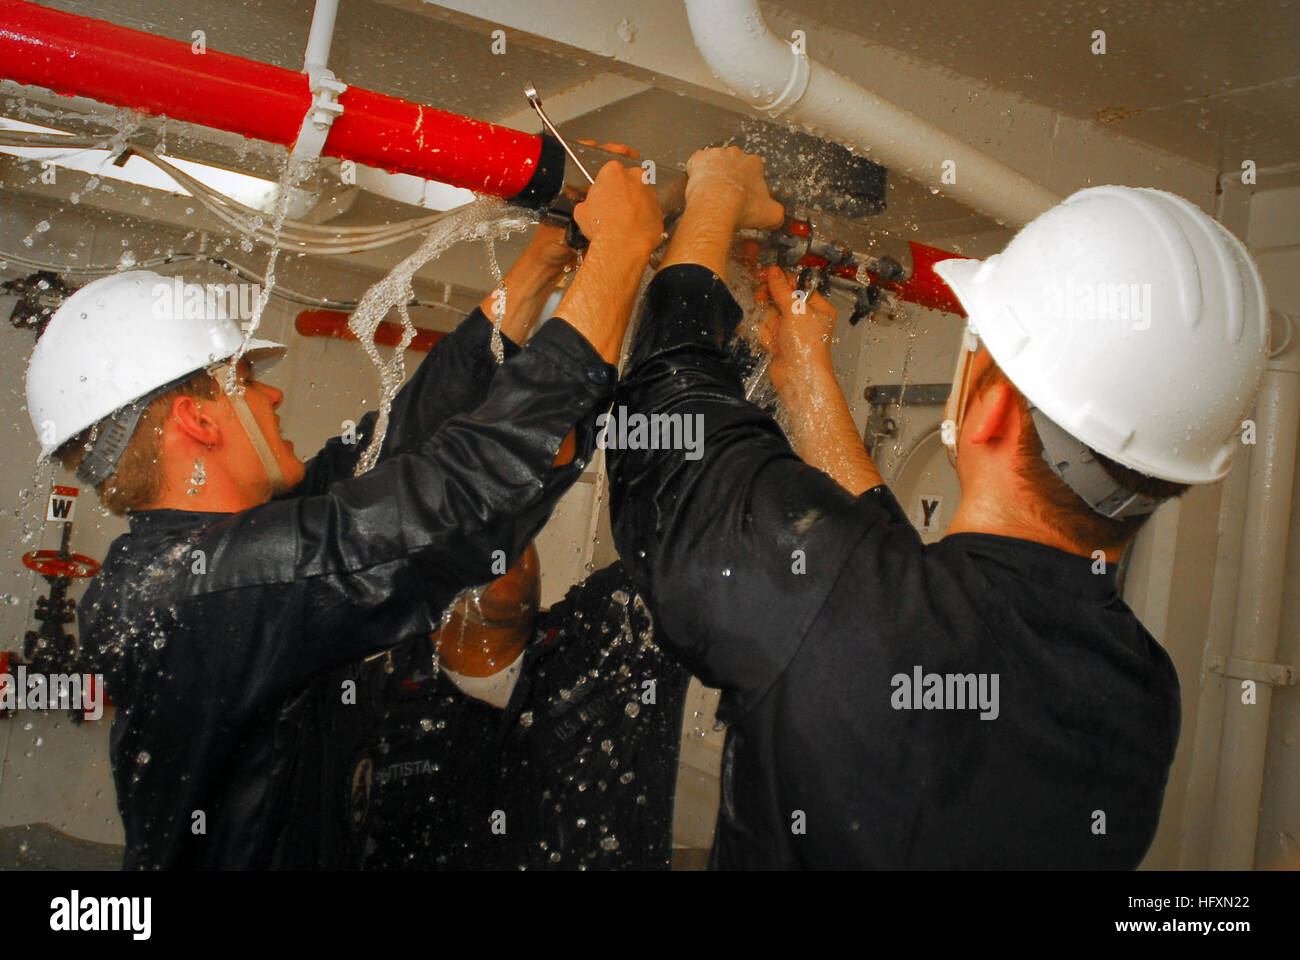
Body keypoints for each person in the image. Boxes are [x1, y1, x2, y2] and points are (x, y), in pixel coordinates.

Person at [605, 146, 1269, 868]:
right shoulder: (1138, 695)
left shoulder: (851, 611)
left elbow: (666, 432)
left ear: (987, 410)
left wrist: (715, 191)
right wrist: (805, 382)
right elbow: (898, 601)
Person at [24, 159, 664, 869]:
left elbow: (392, 449)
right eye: (246, 380)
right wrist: (622, 251)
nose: (273, 397)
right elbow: (450, 497)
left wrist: (546, 260)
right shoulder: (212, 589)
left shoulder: (193, 564)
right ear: (197, 420)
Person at [334, 549, 690, 870]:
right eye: (475, 515)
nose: (502, 537)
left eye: (522, 513)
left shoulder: (614, 633)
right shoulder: (363, 707)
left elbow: (695, 536)